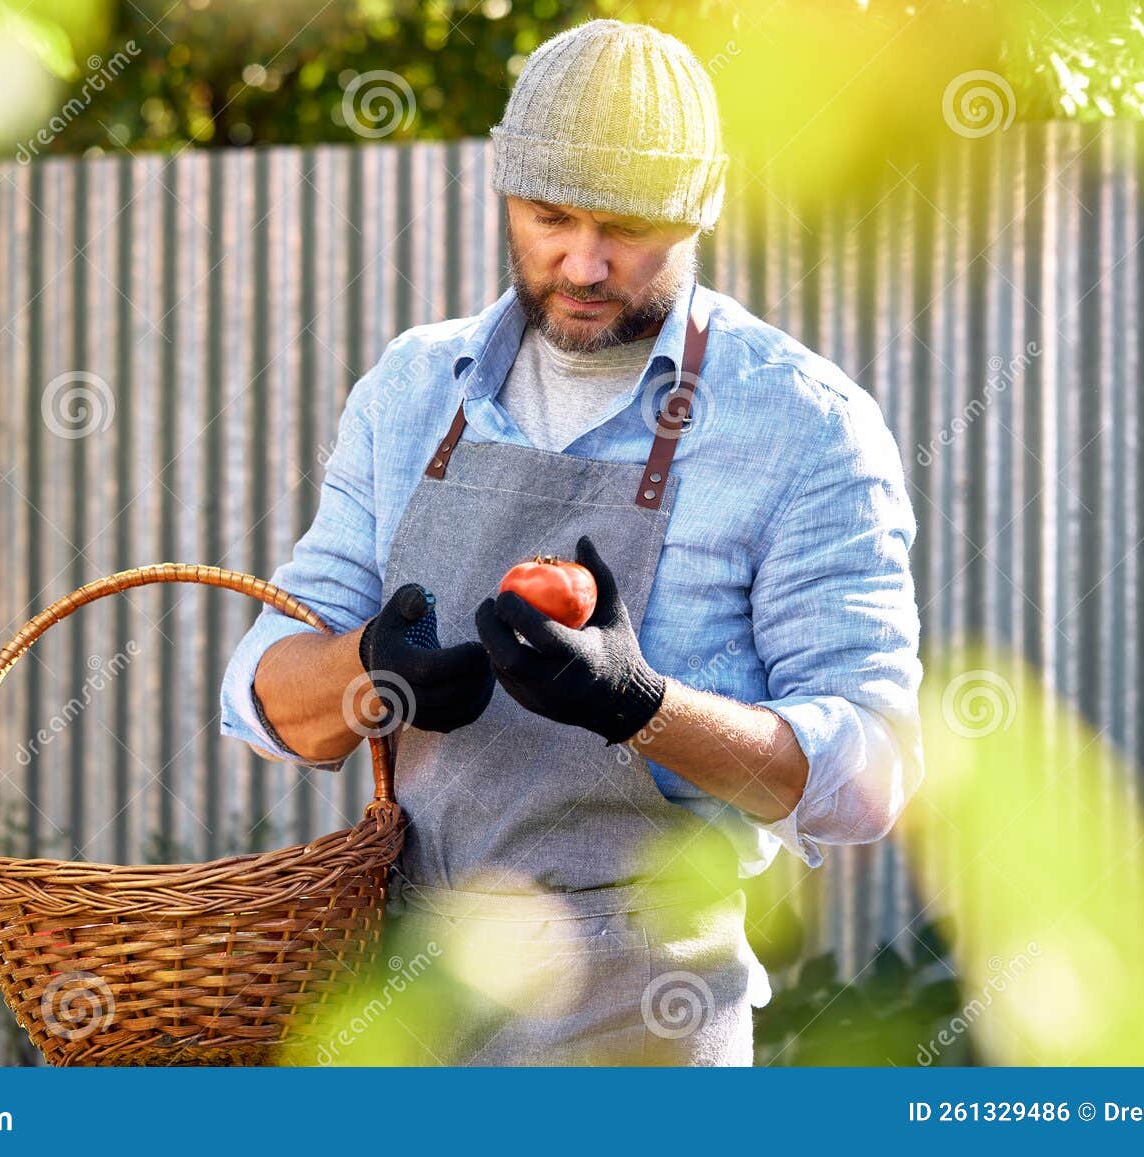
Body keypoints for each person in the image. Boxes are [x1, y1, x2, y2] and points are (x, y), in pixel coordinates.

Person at [221, 18, 922, 1066]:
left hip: (646, 1021)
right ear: (505, 189)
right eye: (550, 215)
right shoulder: (417, 390)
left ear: (705, 203)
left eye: (628, 226)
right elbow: (264, 698)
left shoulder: (803, 425)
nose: (583, 262)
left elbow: (871, 774)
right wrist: (369, 664)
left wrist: (644, 708)